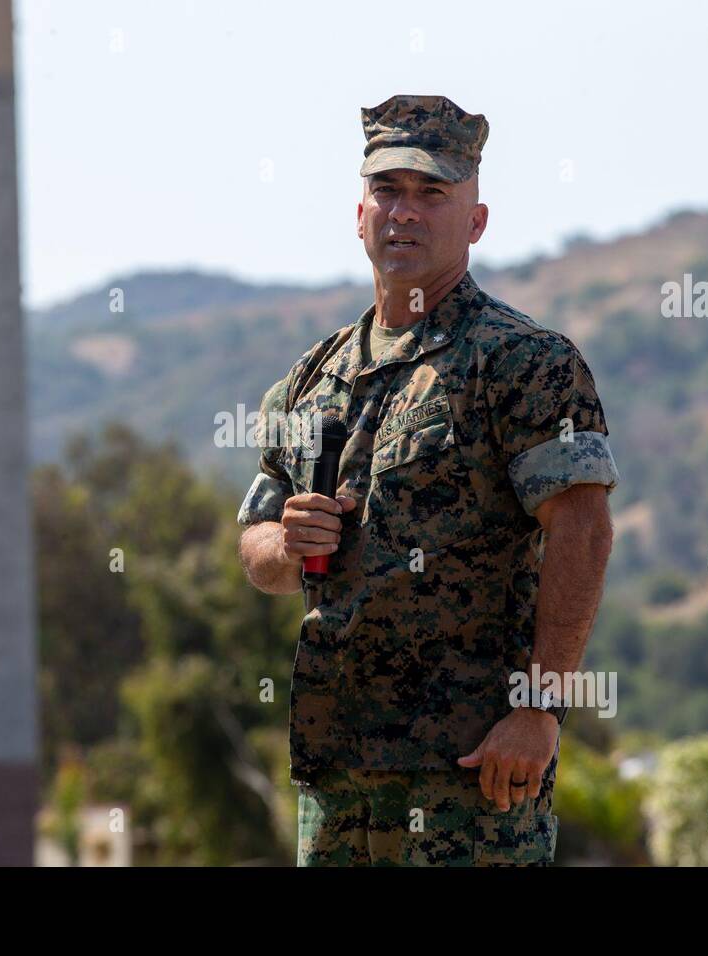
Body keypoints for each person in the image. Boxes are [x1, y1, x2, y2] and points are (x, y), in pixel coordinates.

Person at [236, 94, 619, 866]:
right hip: (336, 775)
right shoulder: (311, 379)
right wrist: (287, 543)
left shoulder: (523, 363)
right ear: (359, 213)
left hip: (470, 778)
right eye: (389, 190)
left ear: (475, 221)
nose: (405, 212)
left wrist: (540, 709)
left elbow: (582, 529)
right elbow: (255, 544)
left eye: (432, 194)